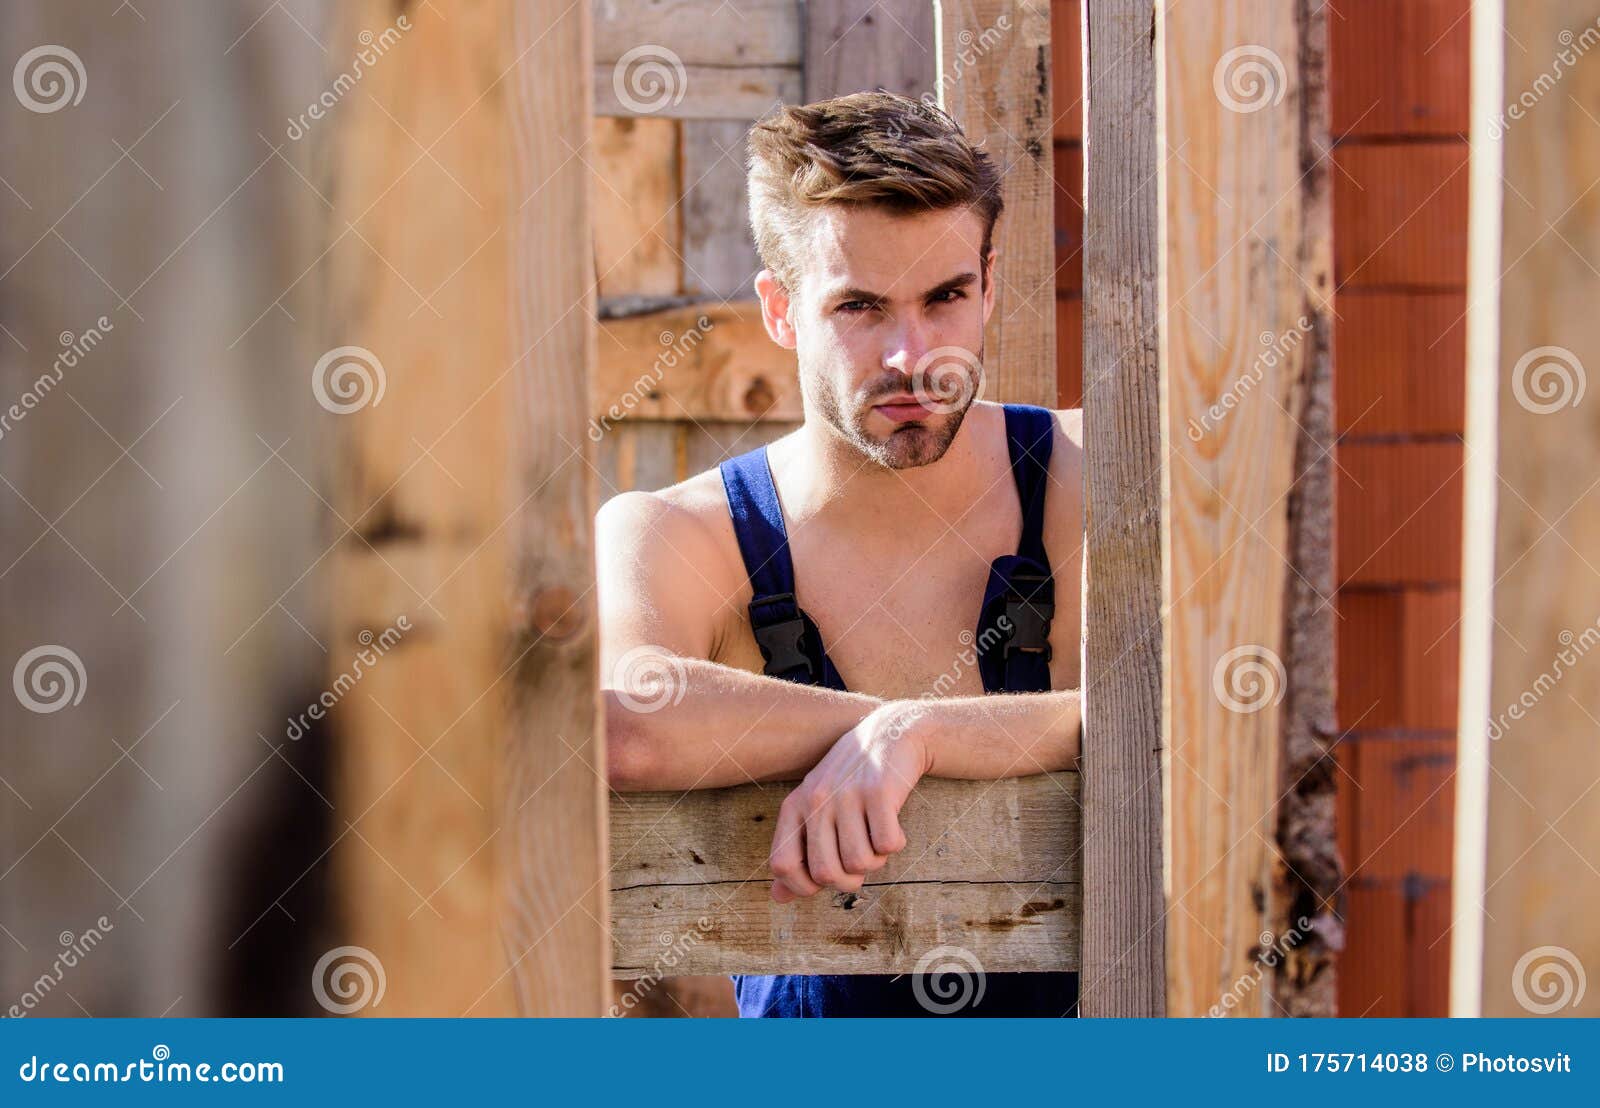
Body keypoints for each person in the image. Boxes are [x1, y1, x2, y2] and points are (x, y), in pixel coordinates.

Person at [596, 91, 1083, 1017]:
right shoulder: (681, 531)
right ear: (780, 310)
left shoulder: (1078, 476)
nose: (913, 355)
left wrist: (913, 737)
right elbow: (627, 718)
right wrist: (874, 729)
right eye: (860, 306)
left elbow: (1149, 716)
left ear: (989, 281)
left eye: (946, 297)